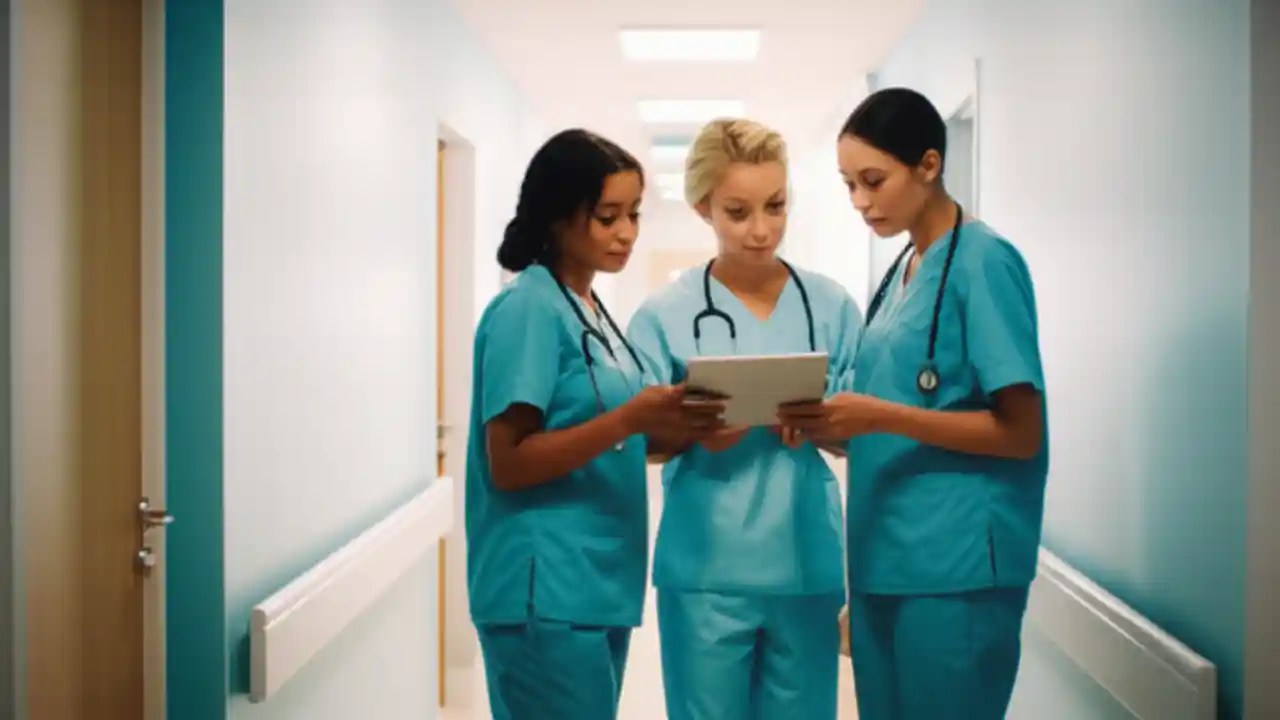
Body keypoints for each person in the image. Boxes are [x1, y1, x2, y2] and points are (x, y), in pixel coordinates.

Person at [778, 87, 1048, 719]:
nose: (860, 202)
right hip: (885, 562)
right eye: (847, 184)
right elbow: (894, 417)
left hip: (956, 572)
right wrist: (824, 425)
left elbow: (1020, 432)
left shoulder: (985, 262)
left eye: (873, 180)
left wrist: (875, 415)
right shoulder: (904, 266)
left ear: (929, 165)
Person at [465, 128, 723, 720]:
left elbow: (614, 440)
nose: (627, 232)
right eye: (608, 216)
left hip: (593, 586)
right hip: (543, 590)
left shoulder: (588, 307)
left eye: (633, 214)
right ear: (559, 216)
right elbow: (509, 461)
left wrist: (691, 428)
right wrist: (630, 416)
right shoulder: (528, 307)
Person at [626, 118, 863, 720]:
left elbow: (865, 435)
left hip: (806, 562)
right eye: (738, 211)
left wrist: (823, 425)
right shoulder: (663, 316)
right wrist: (689, 429)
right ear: (703, 207)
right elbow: (635, 441)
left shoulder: (831, 306)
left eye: (776, 206)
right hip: (706, 567)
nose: (761, 230)